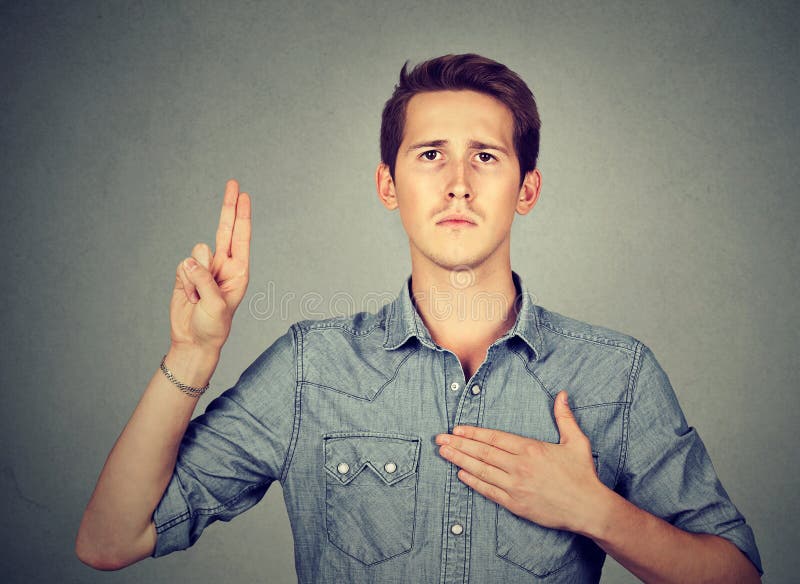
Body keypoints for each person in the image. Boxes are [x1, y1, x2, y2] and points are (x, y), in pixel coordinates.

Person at [76, 53, 762, 582]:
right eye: (430, 154)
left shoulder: (617, 374)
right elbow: (110, 541)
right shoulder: (310, 369)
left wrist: (595, 512)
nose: (458, 181)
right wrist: (192, 357)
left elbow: (736, 573)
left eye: (485, 157)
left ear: (527, 189)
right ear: (388, 185)